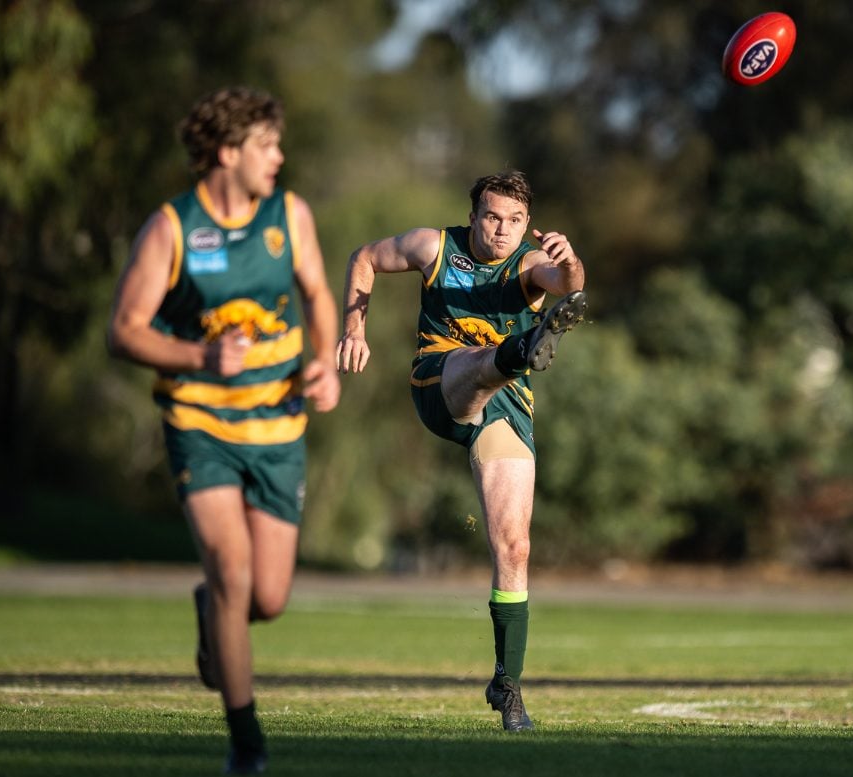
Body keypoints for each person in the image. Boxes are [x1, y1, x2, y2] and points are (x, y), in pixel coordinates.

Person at [107, 86, 340, 774]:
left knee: (265, 596)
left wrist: (324, 362)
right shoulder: (172, 227)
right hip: (199, 423)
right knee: (235, 573)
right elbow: (122, 330)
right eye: (268, 145)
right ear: (228, 151)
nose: (280, 156)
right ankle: (247, 744)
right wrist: (196, 356)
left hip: (277, 423)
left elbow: (319, 294)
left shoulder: (289, 215)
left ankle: (213, 608)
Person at [336, 170, 586, 732]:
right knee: (478, 363)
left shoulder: (528, 264)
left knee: (515, 546)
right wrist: (354, 328)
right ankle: (524, 346)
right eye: (493, 217)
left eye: (516, 221)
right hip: (440, 380)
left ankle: (508, 684)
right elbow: (365, 257)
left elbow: (570, 283)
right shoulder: (434, 246)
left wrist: (568, 262)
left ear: (527, 224)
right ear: (473, 214)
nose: (503, 230)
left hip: (506, 405)